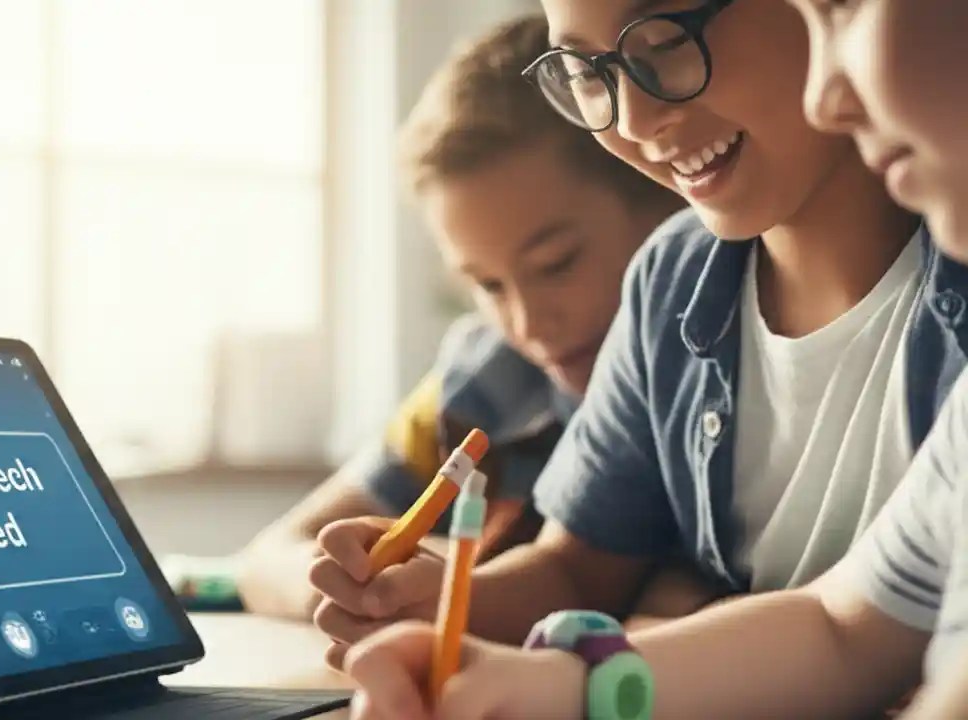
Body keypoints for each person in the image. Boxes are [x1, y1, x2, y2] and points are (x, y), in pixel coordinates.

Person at [344, 0, 968, 717]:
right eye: (583, 70)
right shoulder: (668, 289)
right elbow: (840, 628)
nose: (634, 122)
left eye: (668, 39)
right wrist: (556, 683)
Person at [234, 15, 683, 623]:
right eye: (488, 284)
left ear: (665, 199)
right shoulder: (481, 382)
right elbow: (265, 557)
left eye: (556, 264)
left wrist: (455, 591)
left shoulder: (700, 376)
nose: (526, 322)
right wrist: (357, 591)